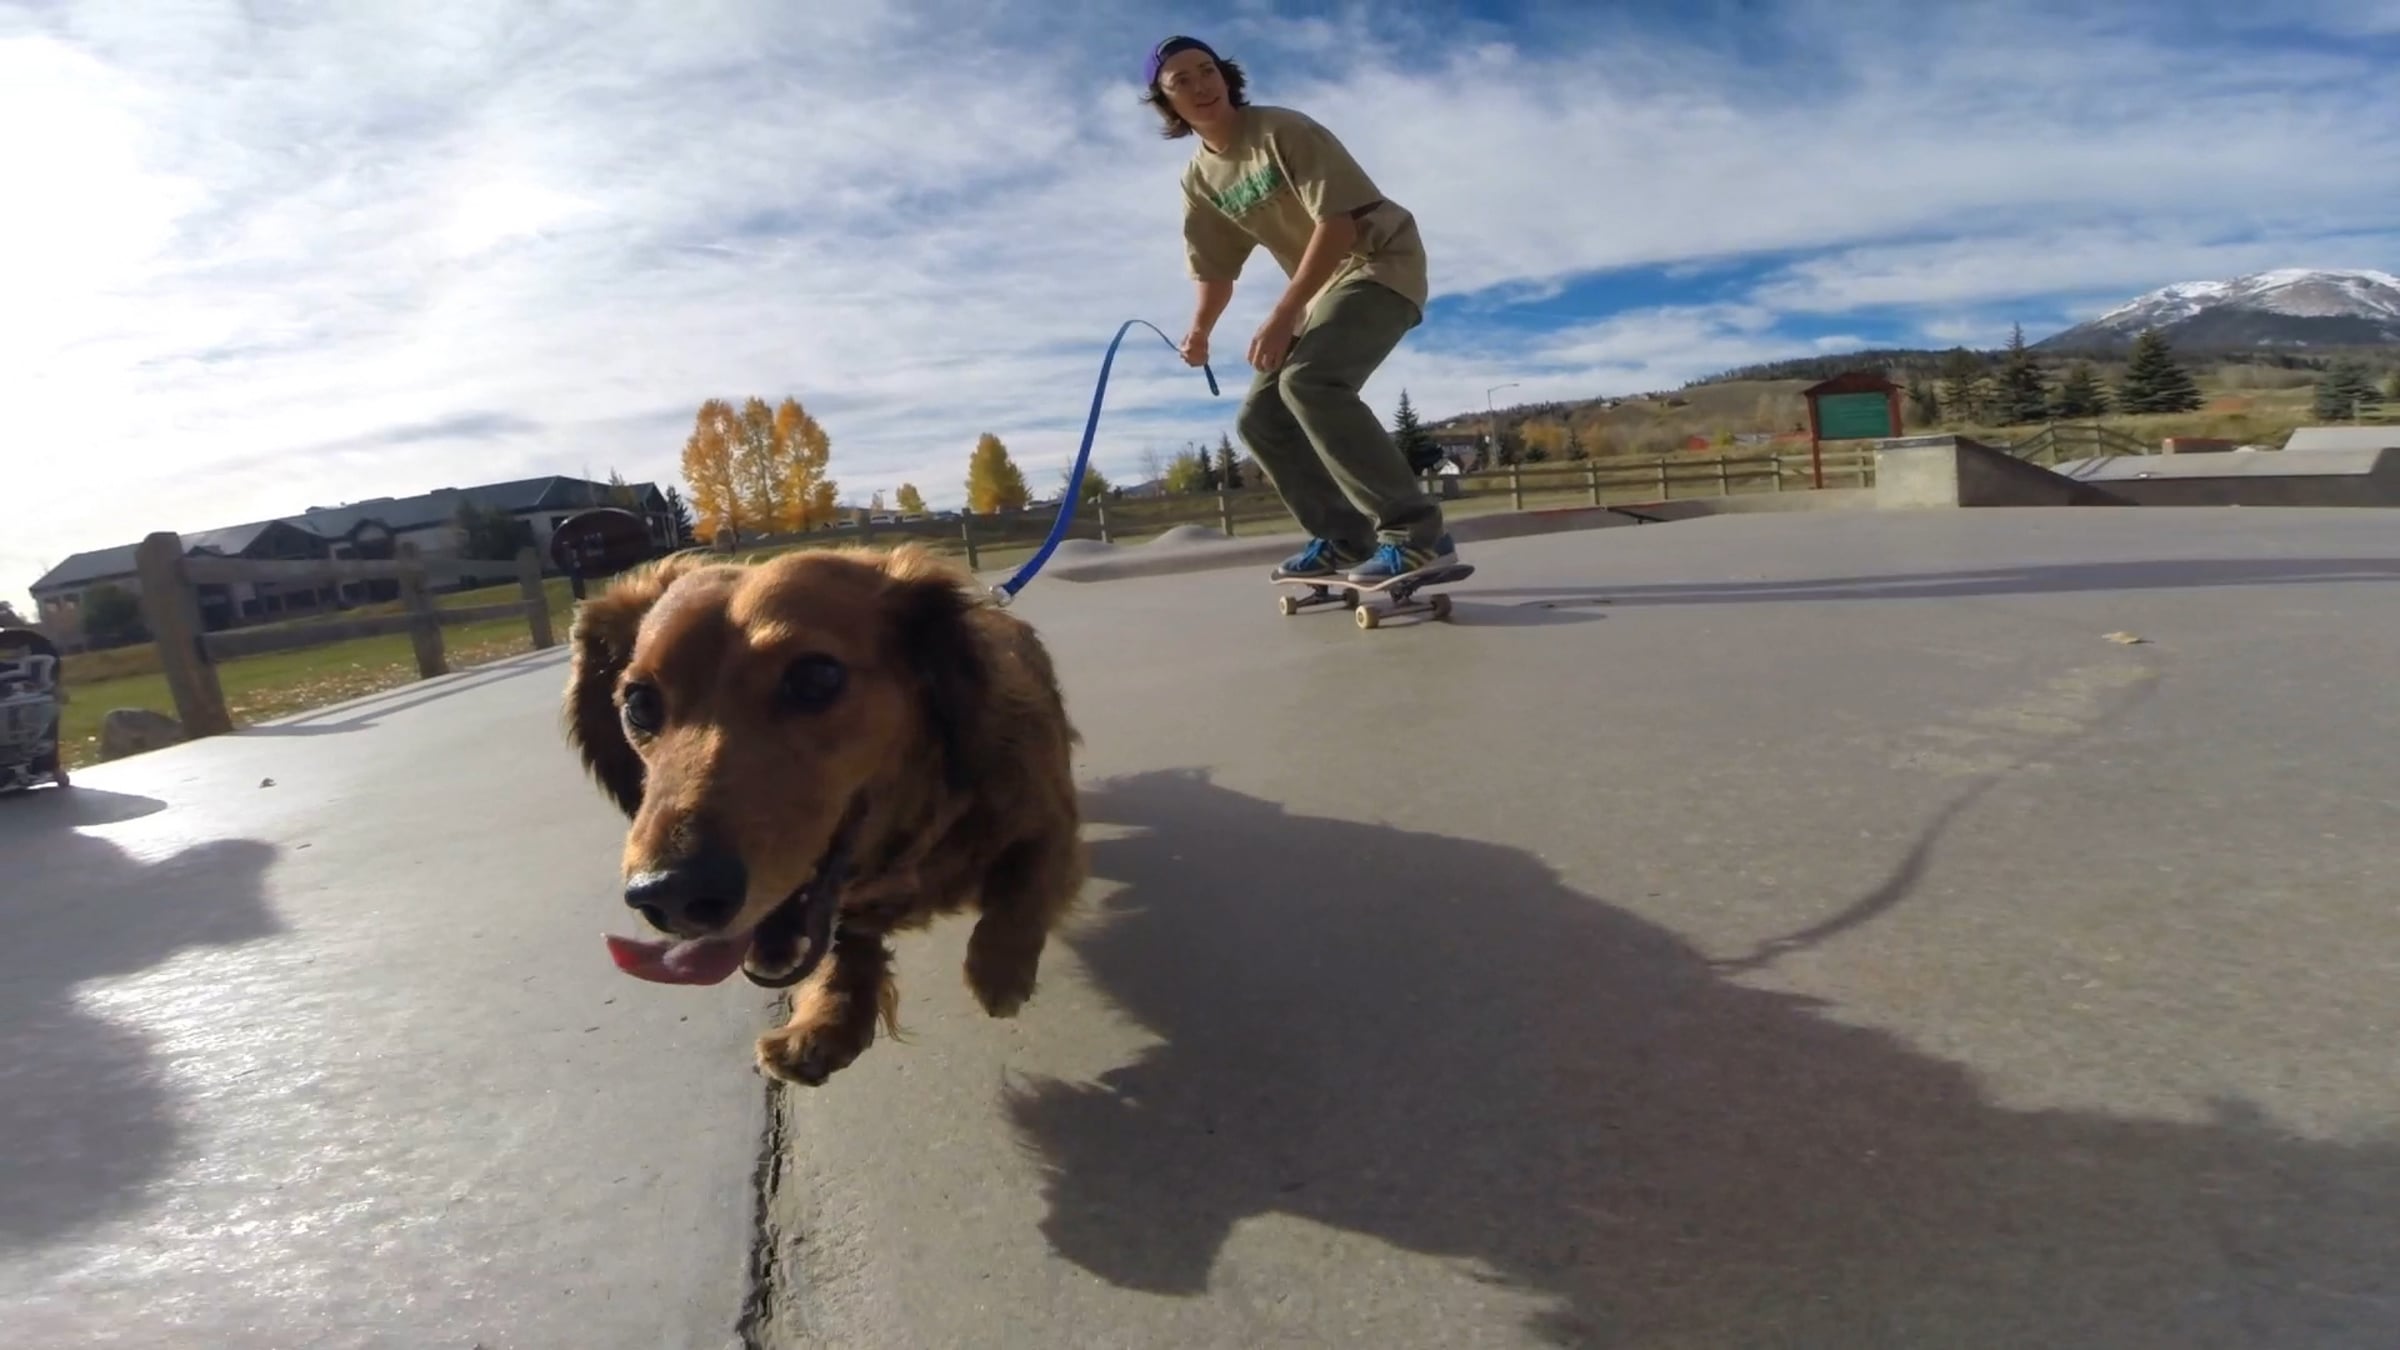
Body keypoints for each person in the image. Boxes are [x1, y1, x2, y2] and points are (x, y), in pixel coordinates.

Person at [1144, 34, 1455, 585]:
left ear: (1226, 76)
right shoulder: (1199, 180)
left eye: (1207, 71)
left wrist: (1284, 313)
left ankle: (1416, 535)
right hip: (1322, 289)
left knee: (1310, 381)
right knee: (1260, 418)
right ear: (1167, 102)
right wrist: (1199, 331)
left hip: (1380, 260)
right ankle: (1344, 539)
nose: (1200, 86)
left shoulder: (1281, 130)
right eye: (1181, 81)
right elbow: (1215, 267)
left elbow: (1338, 223)